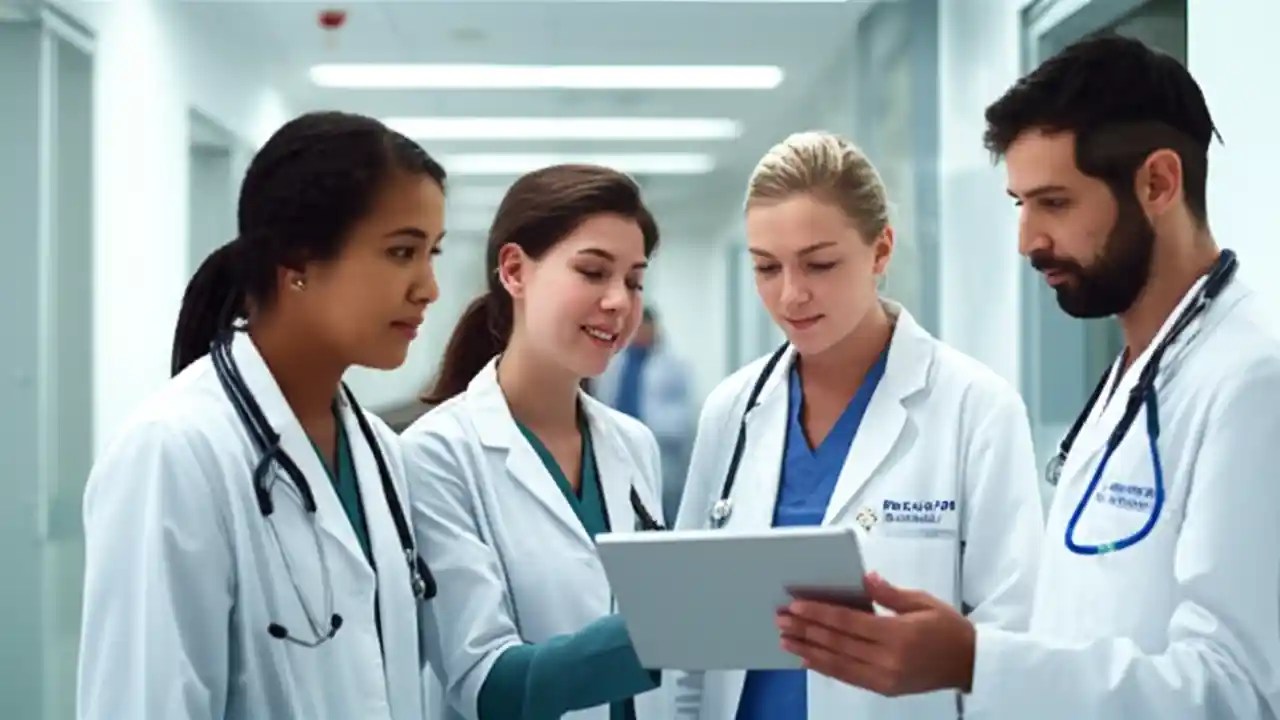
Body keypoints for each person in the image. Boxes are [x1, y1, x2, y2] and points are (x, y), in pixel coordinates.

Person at [776, 34, 1280, 720]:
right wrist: (971, 654)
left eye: (1055, 203)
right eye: (1020, 203)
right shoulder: (1134, 378)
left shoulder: (1253, 384)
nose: (1027, 241)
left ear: (1158, 183)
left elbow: (1238, 693)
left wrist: (974, 661)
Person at [76, 111, 447, 720]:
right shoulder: (175, 451)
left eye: (431, 253)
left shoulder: (379, 452)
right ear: (297, 264)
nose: (428, 287)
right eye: (402, 252)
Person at [671, 130, 1044, 720]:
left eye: (819, 264)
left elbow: (1010, 639)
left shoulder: (976, 409)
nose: (791, 295)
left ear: (881, 250)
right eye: (767, 268)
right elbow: (690, 641)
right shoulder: (734, 411)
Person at [401, 164, 668, 720]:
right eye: (594, 272)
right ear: (515, 271)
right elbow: (487, 684)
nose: (619, 300)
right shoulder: (438, 455)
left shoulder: (632, 446)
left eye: (635, 281)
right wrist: (674, 625)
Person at [594, 306, 695, 520]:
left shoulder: (673, 365)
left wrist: (647, 425)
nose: (640, 333)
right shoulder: (615, 361)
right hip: (618, 450)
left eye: (645, 327)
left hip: (664, 454)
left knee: (663, 517)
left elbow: (685, 418)